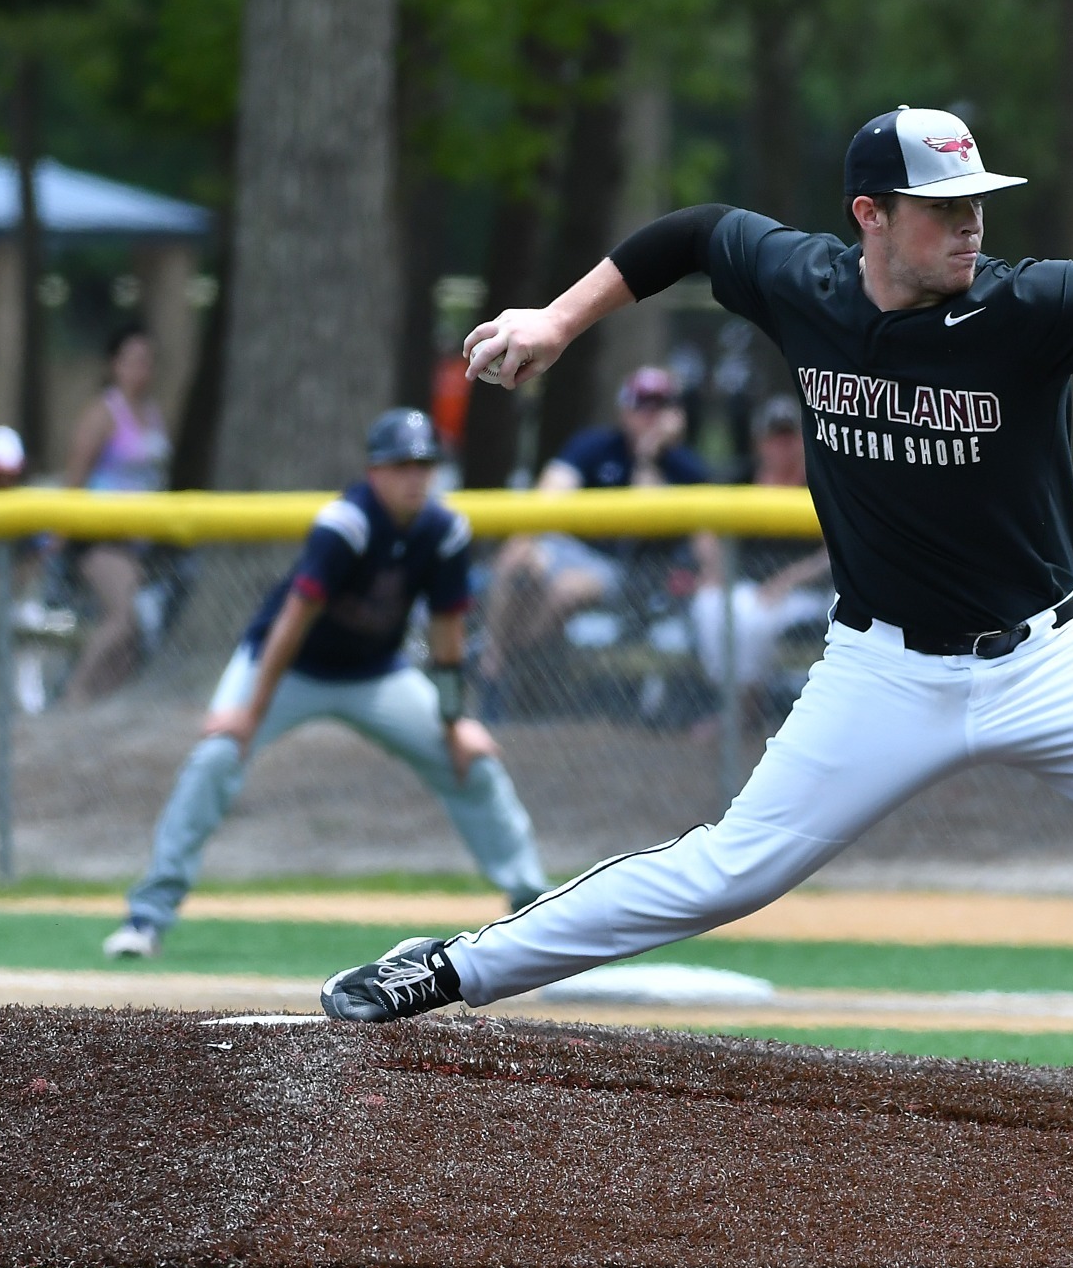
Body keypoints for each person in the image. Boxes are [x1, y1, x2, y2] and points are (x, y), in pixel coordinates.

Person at [321, 106, 1073, 1106]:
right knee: (730, 870)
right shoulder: (803, 285)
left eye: (976, 202)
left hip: (1051, 656)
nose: (970, 225)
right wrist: (556, 319)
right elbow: (690, 234)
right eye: (941, 208)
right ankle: (455, 967)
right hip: (881, 669)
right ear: (869, 216)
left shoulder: (1025, 308)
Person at [101, 410, 550, 960]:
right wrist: (249, 714)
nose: (414, 477)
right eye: (401, 465)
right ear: (374, 471)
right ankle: (147, 917)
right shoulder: (348, 524)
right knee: (217, 755)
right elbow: (292, 622)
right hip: (287, 666)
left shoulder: (443, 531)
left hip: (374, 673)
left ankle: (535, 908)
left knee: (473, 762)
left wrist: (456, 723)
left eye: (424, 465)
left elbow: (447, 633)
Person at [477, 365, 716, 707]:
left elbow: (642, 520)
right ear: (625, 409)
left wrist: (648, 454)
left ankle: (500, 662)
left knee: (566, 589)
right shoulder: (595, 444)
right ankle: (494, 657)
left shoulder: (685, 467)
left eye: (660, 405)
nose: (649, 414)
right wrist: (528, 539)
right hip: (569, 546)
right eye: (642, 404)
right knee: (518, 555)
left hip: (628, 573)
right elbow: (548, 495)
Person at [689, 394, 832, 727]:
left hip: (804, 593)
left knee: (753, 619)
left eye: (789, 436)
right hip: (745, 584)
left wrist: (787, 581)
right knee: (709, 605)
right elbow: (703, 526)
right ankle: (737, 707)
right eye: (774, 437)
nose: (782, 445)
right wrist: (714, 567)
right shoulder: (742, 476)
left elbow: (833, 552)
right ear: (759, 441)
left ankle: (744, 712)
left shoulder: (821, 480)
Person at [60, 325, 171, 703]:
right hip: (102, 535)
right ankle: (75, 694)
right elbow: (76, 476)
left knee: (135, 633)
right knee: (124, 617)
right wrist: (60, 534)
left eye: (148, 361)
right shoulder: (102, 413)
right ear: (115, 365)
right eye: (133, 361)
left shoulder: (153, 413)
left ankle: (105, 702)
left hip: (140, 539)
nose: (142, 370)